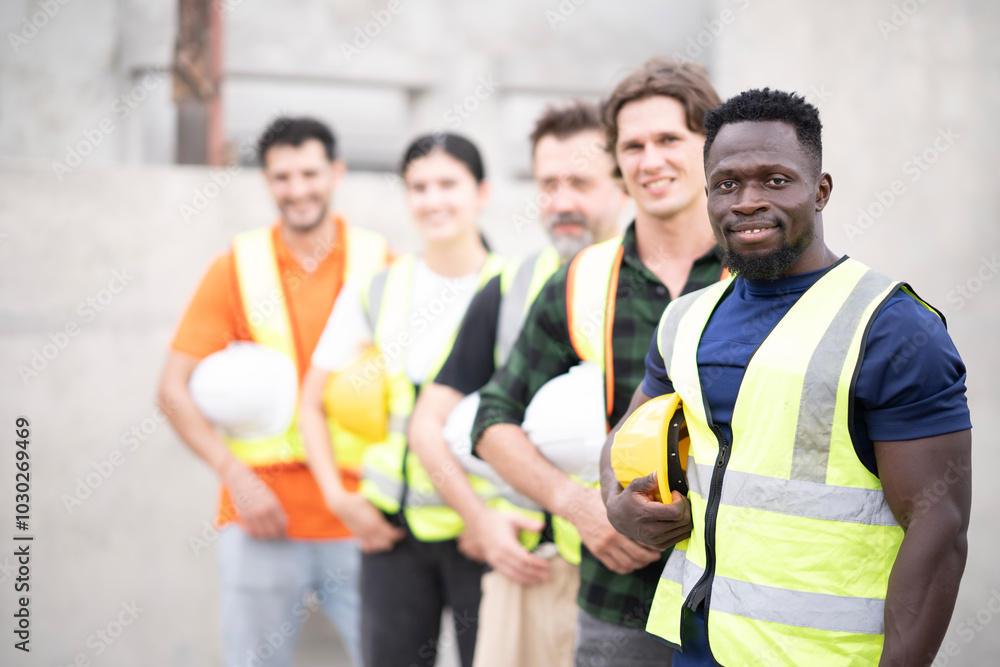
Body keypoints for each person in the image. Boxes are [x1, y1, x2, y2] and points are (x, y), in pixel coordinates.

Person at [601, 88, 972, 666]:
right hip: (698, 644)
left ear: (820, 191)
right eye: (727, 184)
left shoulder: (893, 328)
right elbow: (623, 439)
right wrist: (617, 505)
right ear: (708, 196)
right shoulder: (685, 318)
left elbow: (939, 527)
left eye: (775, 180)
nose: (747, 200)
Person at [472, 58, 726, 666]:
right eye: (633, 145)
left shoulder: (760, 271)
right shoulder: (583, 279)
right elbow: (493, 419)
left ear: (710, 147)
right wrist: (580, 505)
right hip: (619, 603)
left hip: (741, 600)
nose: (650, 159)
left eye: (669, 139)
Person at [157, 117, 390, 667]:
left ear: (336, 172)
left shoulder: (381, 262)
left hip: (363, 518)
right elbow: (171, 390)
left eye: (309, 172)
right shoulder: (237, 267)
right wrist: (236, 478)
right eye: (281, 176)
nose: (297, 189)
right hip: (260, 519)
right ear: (266, 180)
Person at [407, 101, 628, 667]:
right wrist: (479, 521)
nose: (560, 203)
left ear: (623, 182)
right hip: (530, 570)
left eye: (579, 182)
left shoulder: (670, 284)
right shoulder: (510, 288)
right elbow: (426, 428)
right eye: (547, 184)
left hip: (641, 577)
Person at [299, 132, 505, 667]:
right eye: (418, 187)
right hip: (392, 533)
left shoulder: (519, 287)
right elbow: (311, 403)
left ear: (481, 191)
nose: (432, 199)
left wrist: (493, 521)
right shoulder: (376, 288)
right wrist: (339, 498)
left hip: (484, 531)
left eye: (447, 184)